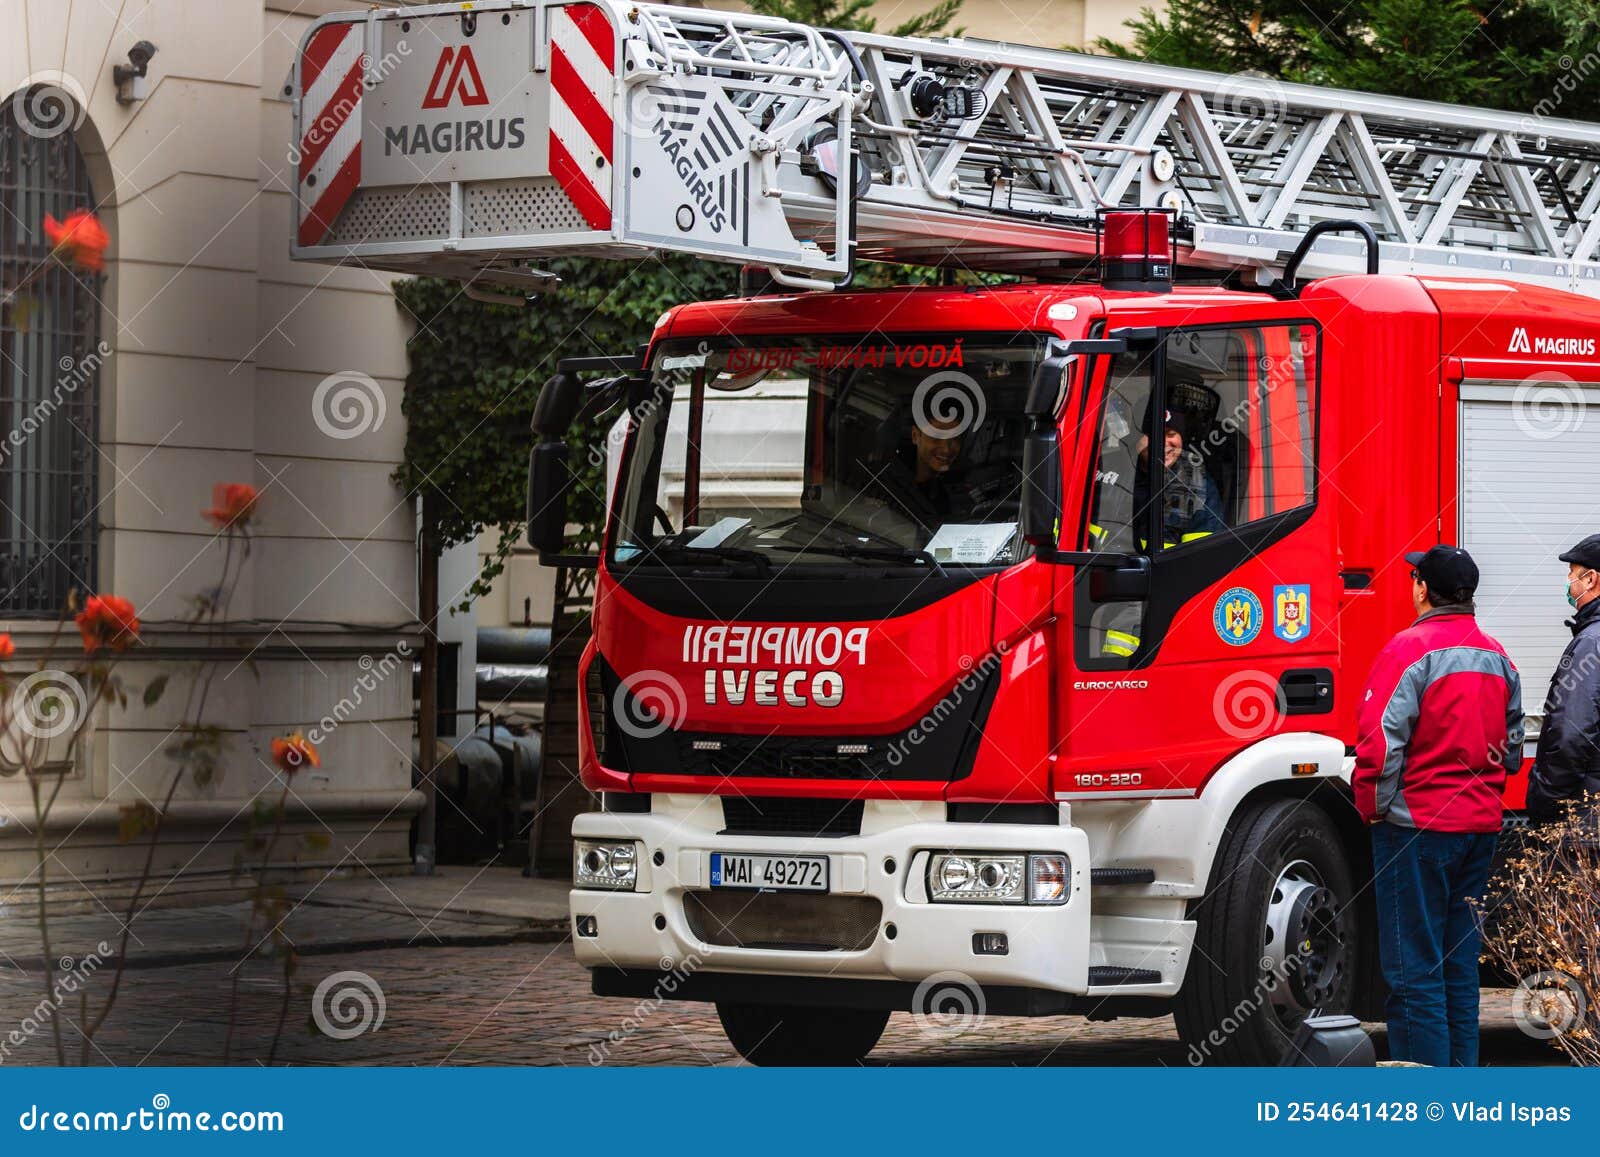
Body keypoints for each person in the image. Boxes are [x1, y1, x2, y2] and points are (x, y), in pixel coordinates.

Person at [1353, 544, 1524, 1067]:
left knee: (1413, 971)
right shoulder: (1498, 656)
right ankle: (1461, 1094)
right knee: (1459, 968)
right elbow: (1513, 751)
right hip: (1479, 830)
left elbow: (1379, 745)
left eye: (1414, 580)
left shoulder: (1408, 650)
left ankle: (1424, 1103)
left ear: (1423, 590)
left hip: (1418, 830)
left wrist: (1373, 809)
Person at [1527, 534, 1600, 823]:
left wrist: (1548, 802)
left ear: (1591, 579)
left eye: (1572, 574)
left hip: (1586, 821)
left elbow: (1572, 733)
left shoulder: (1590, 644)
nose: (1569, 583)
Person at [1132, 407, 1225, 547]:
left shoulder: (1197, 481)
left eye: (1171, 434)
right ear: (1138, 439)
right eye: (1154, 433)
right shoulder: (1116, 466)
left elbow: (1203, 551)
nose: (1163, 442)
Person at [871, 413, 974, 531]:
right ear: (915, 436)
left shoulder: (951, 492)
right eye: (937, 437)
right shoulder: (883, 484)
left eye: (955, 439)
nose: (946, 449)